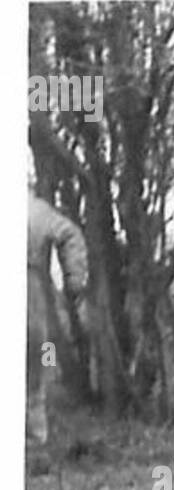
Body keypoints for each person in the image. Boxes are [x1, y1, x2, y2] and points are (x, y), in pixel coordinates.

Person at [27, 191, 89, 445]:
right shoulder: (36, 209)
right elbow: (69, 234)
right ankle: (35, 432)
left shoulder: (33, 210)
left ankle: (35, 432)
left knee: (41, 349)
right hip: (35, 296)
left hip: (34, 295)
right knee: (39, 352)